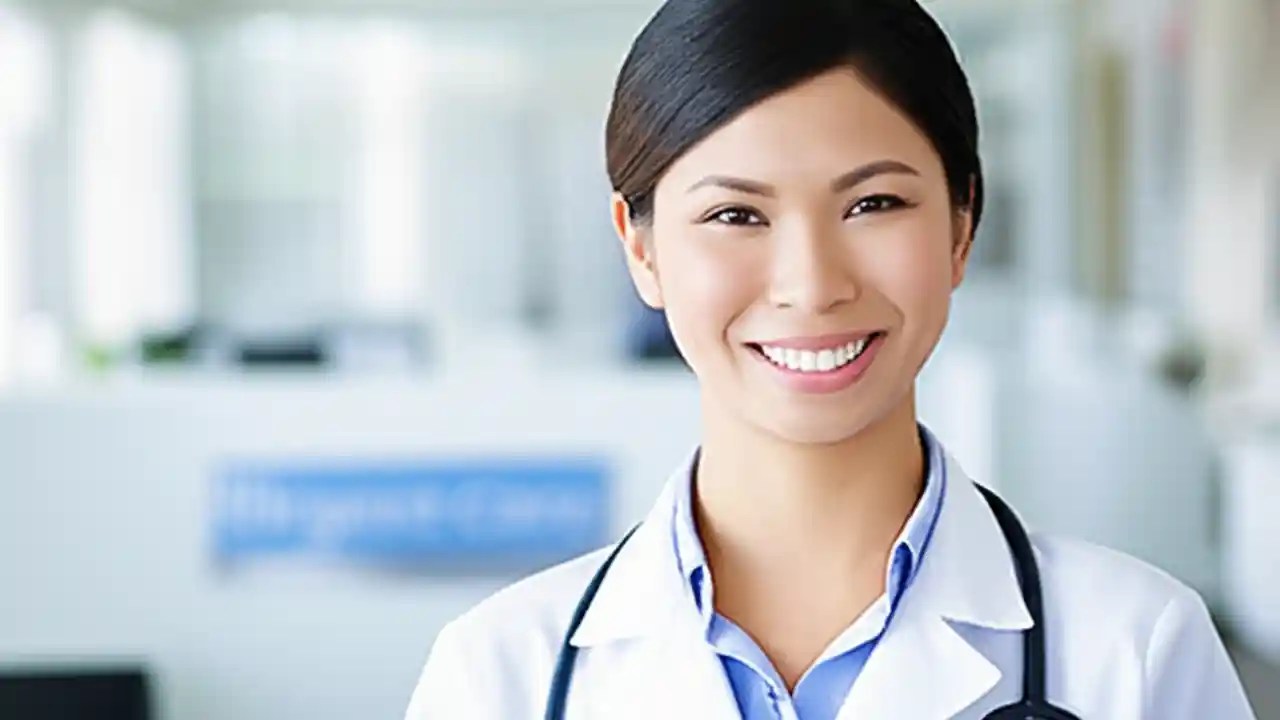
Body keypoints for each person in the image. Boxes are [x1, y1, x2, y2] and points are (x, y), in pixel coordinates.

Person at [404, 1, 1257, 717]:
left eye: (874, 203)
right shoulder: (498, 677)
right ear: (641, 250)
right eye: (737, 216)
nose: (810, 286)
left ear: (963, 225)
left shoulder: (1138, 658)